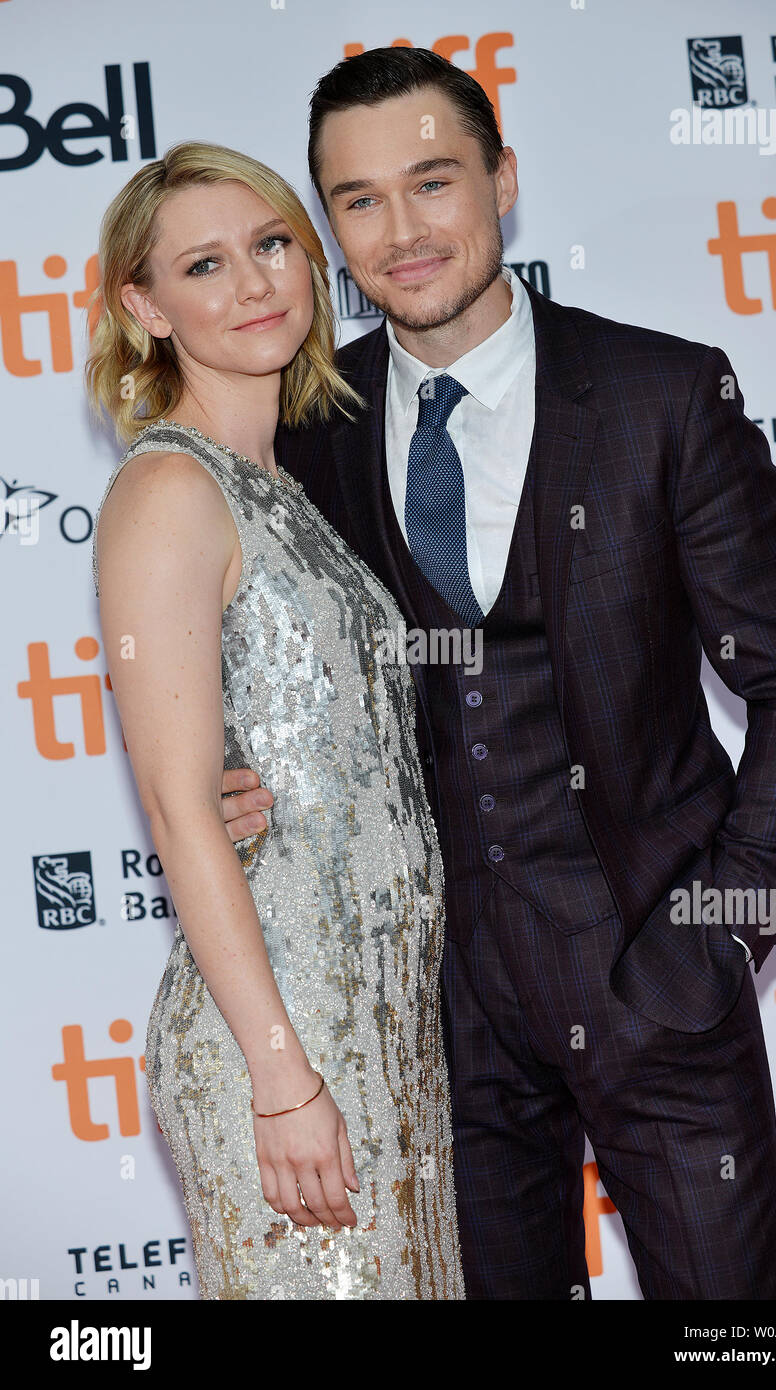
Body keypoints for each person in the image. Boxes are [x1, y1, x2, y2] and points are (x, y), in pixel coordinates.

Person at [218, 49, 776, 1300]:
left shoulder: (657, 392)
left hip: (656, 985)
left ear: (502, 182)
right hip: (438, 1018)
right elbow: (304, 682)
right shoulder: (314, 428)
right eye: (358, 200)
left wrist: (712, 941)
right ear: (327, 225)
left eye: (434, 181)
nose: (401, 232)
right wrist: (248, 779)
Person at [87, 140, 464, 1300]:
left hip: (389, 1029)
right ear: (143, 306)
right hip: (287, 1043)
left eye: (269, 246)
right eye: (204, 265)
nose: (253, 285)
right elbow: (178, 807)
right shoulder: (167, 490)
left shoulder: (292, 482)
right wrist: (282, 1074)